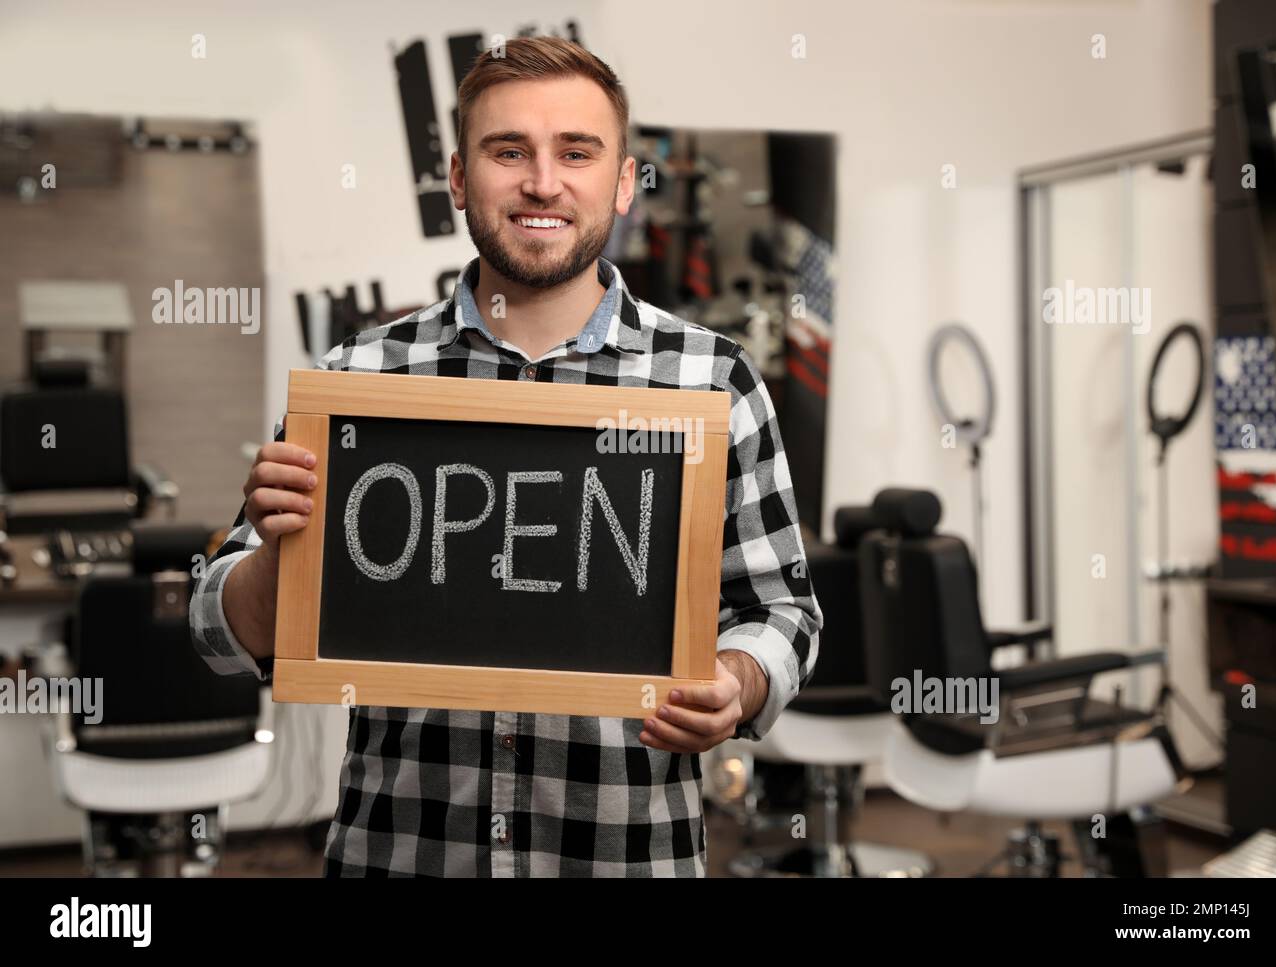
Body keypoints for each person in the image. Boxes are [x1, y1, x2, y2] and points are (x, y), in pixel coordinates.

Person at [189, 35, 821, 877]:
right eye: (508, 150)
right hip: (402, 855)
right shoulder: (360, 380)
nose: (543, 181)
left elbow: (784, 612)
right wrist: (279, 556)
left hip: (625, 858)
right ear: (458, 177)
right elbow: (218, 635)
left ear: (625, 181)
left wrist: (737, 682)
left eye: (577, 152)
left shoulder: (714, 380)